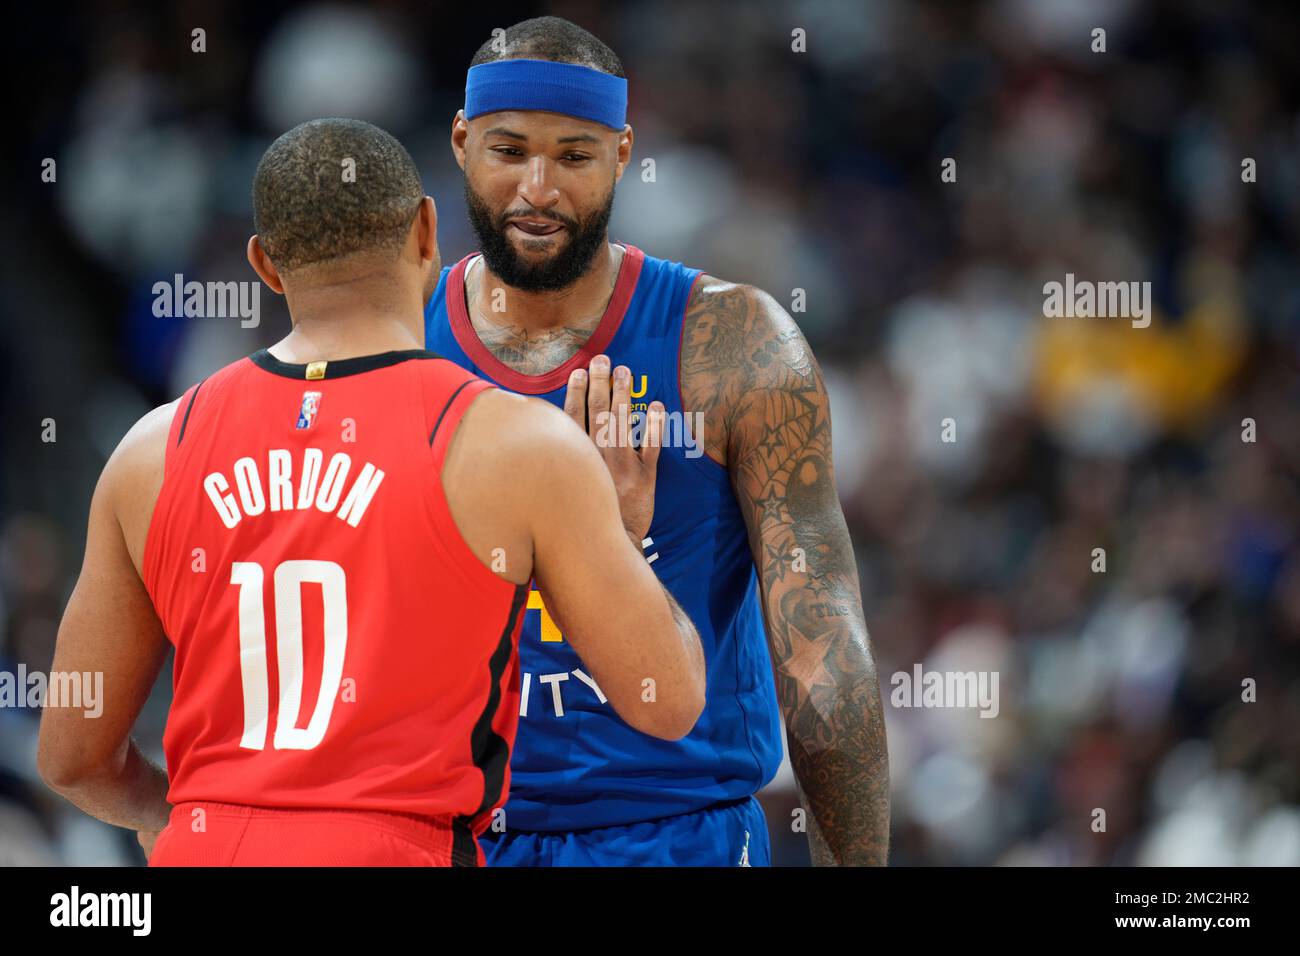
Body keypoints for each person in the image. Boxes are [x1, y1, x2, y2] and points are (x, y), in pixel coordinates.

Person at [36, 117, 705, 867]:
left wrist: (185, 818)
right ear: (428, 228)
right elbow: (666, 701)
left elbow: (73, 758)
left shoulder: (151, 451)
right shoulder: (515, 446)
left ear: (264, 265)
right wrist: (626, 534)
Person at [425, 17, 889, 866]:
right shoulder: (395, 345)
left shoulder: (734, 345)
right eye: (508, 151)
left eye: (574, 156)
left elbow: (825, 653)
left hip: (678, 833)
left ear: (623, 153)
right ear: (460, 143)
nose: (538, 188)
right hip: (448, 834)